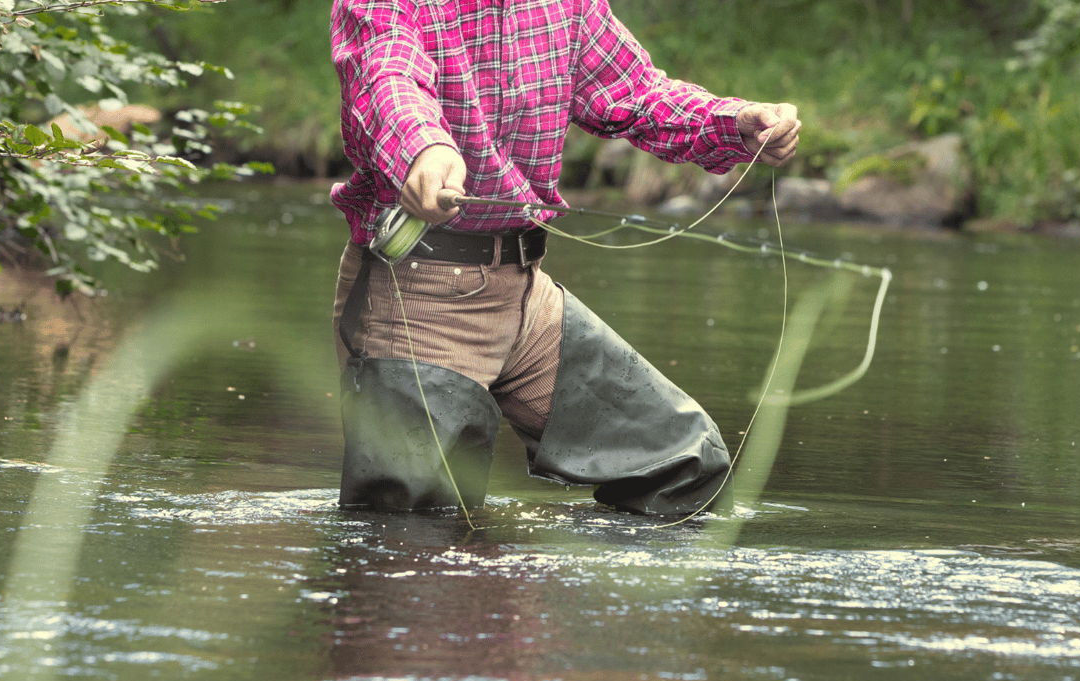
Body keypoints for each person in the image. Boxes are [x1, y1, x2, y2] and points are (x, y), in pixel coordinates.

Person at [329, 0, 800, 516]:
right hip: (413, 297)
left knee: (685, 469)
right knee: (412, 534)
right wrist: (423, 150)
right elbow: (385, 77)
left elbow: (636, 92)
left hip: (525, 296)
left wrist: (735, 125)